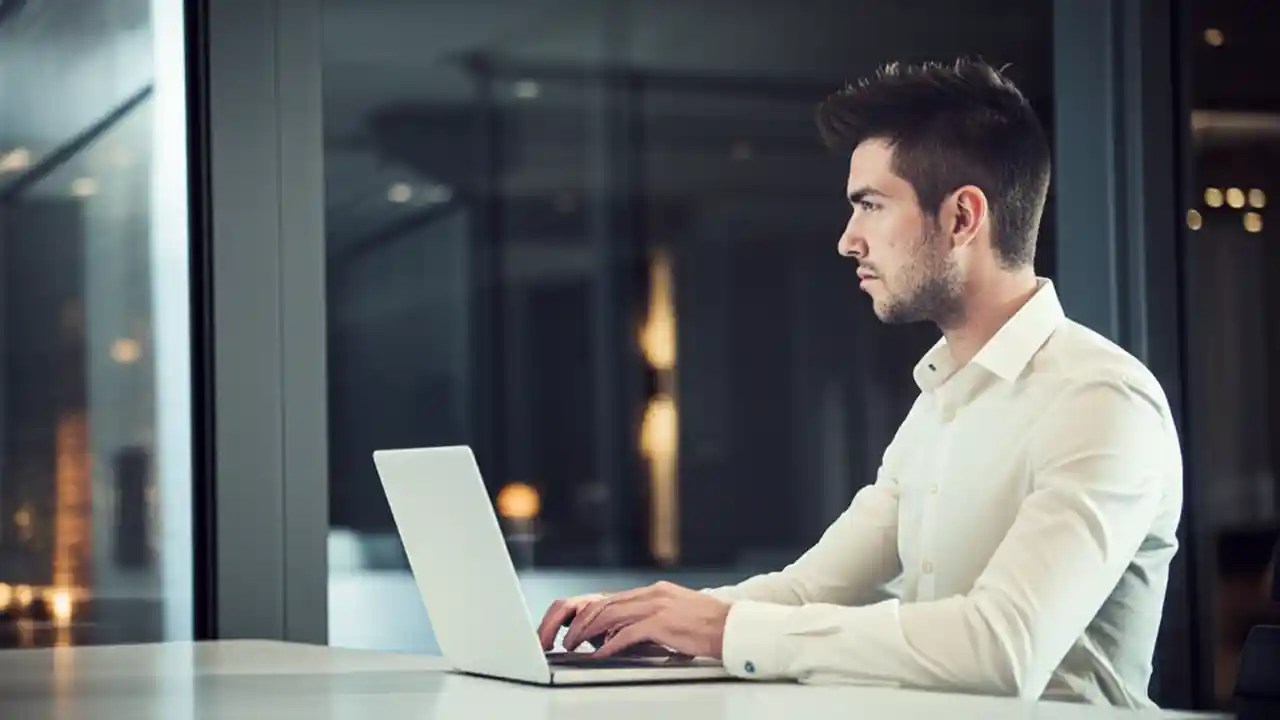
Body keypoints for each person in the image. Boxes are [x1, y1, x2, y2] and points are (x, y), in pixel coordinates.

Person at [535, 59, 1182, 708]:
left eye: (870, 205)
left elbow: (1002, 648)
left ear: (962, 218)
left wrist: (725, 628)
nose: (849, 241)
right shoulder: (940, 404)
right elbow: (807, 592)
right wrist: (645, 619)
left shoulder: (1100, 401)